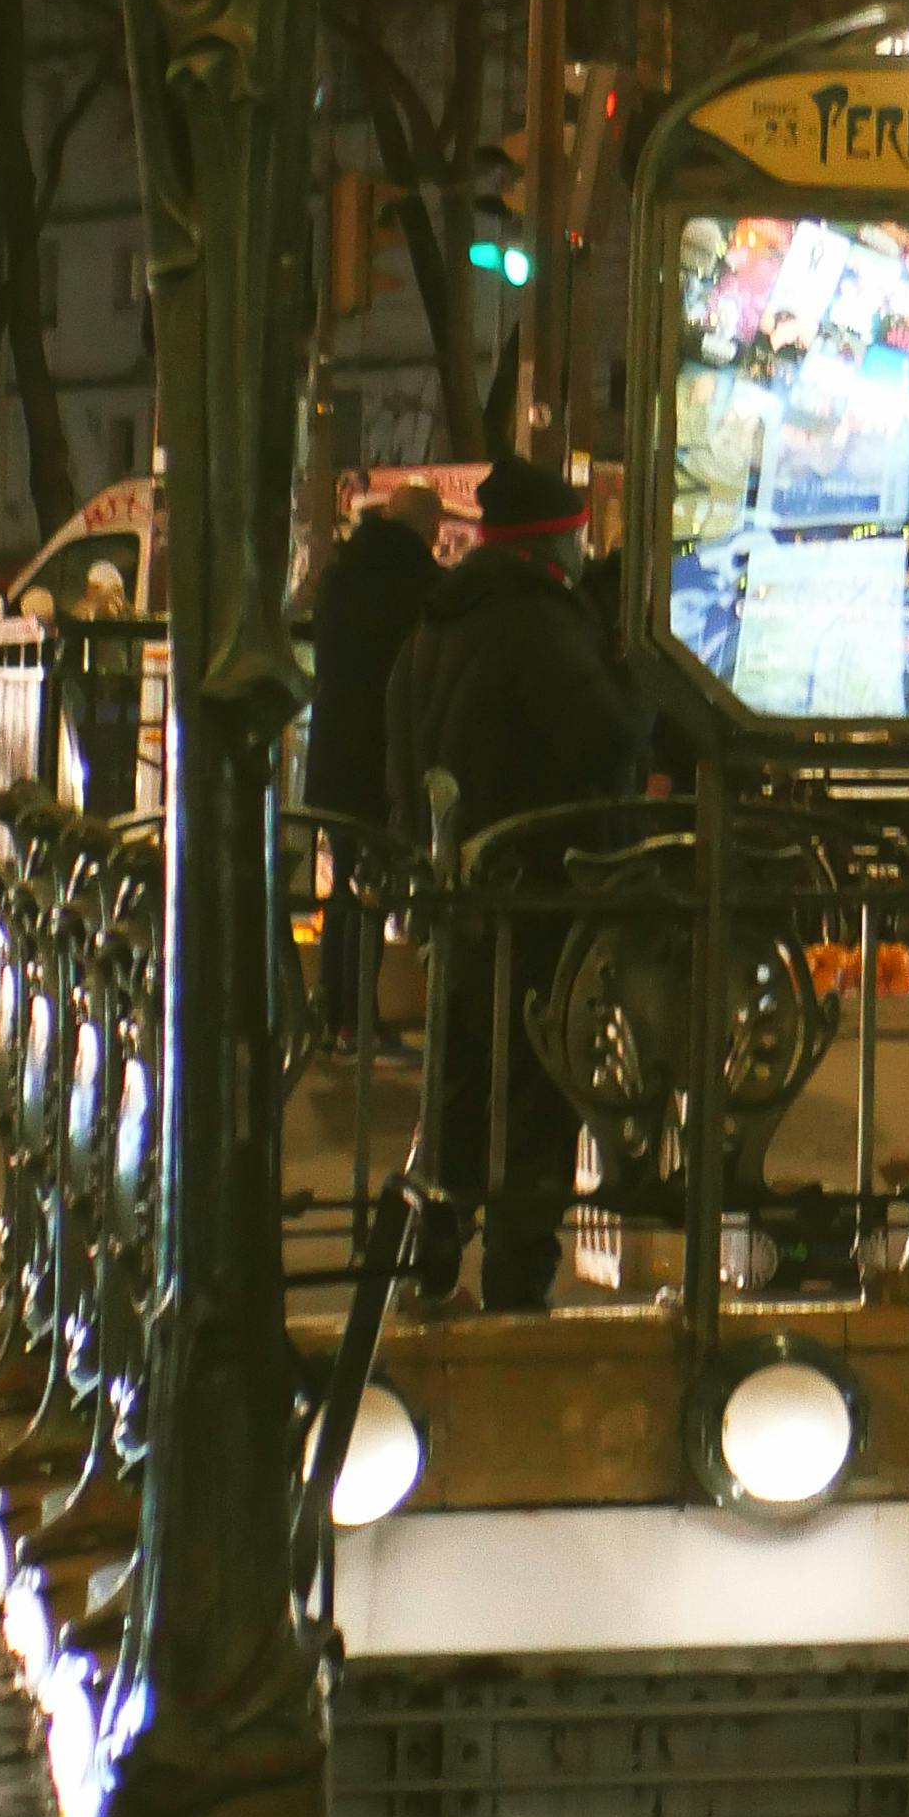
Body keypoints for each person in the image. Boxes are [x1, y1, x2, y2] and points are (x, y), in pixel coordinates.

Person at [387, 458, 641, 1311]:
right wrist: (633, 678)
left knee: (457, 1089)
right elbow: (608, 742)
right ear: (554, 542)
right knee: (535, 1096)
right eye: (574, 536)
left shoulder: (433, 624)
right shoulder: (543, 625)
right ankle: (515, 1285)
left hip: (462, 901)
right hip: (541, 901)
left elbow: (401, 759)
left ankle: (427, 1263)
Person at [304, 475, 444, 1040]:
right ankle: (359, 1016)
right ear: (427, 529)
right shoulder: (418, 583)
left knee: (341, 883)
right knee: (376, 885)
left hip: (334, 750)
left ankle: (332, 1009)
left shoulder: (342, 572)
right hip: (382, 754)